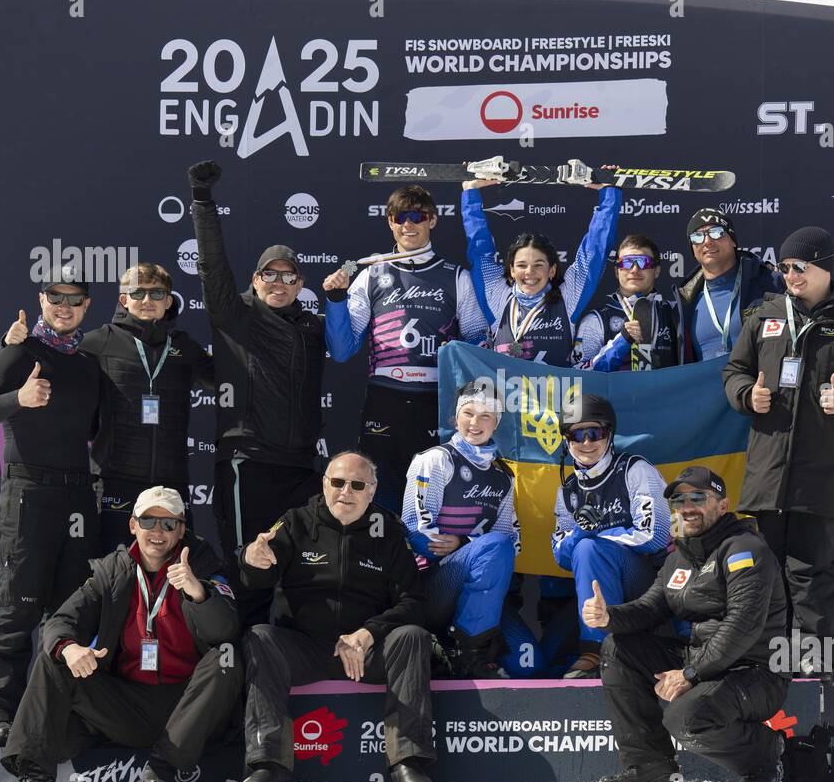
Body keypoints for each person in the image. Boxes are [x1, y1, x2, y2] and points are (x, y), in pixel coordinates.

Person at [0, 486, 241, 782]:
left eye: (169, 524)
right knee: (56, 657)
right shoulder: (111, 572)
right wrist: (70, 649)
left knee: (226, 656)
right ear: (132, 526)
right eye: (148, 521)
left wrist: (197, 591)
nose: (158, 532)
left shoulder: (203, 566)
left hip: (187, 708)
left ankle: (163, 770)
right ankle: (34, 781)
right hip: (126, 705)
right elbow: (62, 621)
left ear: (183, 529)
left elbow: (225, 630)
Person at [722, 226, 834, 672]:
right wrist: (747, 395)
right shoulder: (763, 315)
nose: (790, 276)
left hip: (822, 476)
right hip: (768, 473)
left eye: (799, 267)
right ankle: (762, 678)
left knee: (809, 579)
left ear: (823, 266)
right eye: (783, 268)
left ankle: (806, 682)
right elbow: (734, 370)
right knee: (762, 580)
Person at [238, 451, 438, 782]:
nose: (346, 491)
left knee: (412, 636)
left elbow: (414, 603)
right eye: (338, 482)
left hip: (366, 652)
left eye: (357, 485)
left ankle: (408, 763)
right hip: (307, 648)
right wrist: (252, 561)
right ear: (324, 484)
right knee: (260, 638)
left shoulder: (389, 530)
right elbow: (256, 579)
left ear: (372, 491)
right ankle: (269, 763)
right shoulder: (296, 522)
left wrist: (369, 633)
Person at [0, 266, 102, 748]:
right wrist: (18, 398)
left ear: (86, 306)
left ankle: (56, 711)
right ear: (41, 301)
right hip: (28, 494)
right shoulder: (18, 354)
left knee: (68, 610)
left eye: (74, 299)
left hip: (79, 496)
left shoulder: (87, 363)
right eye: (55, 297)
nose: (64, 307)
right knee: (17, 604)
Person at [585, 466, 790, 782]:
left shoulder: (746, 549)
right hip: (704, 664)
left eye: (698, 497)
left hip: (755, 673)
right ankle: (648, 765)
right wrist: (608, 616)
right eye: (679, 500)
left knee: (685, 719)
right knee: (618, 648)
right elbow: (650, 608)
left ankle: (766, 751)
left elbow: (743, 625)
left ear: (723, 506)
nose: (687, 507)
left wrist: (690, 675)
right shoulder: (679, 558)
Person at [187, 160, 327, 627]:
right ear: (255, 280)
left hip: (300, 468)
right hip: (249, 463)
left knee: (305, 572)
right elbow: (211, 265)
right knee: (250, 568)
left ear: (301, 285)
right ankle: (243, 677)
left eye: (289, 277)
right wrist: (202, 200)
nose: (279, 283)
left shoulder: (313, 329)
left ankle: (295, 667)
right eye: (270, 274)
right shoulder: (236, 315)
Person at [3, 262, 214, 554]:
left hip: (171, 482)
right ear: (123, 299)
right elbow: (51, 360)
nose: (147, 301)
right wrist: (11, 343)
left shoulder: (185, 348)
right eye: (138, 293)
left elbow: (228, 378)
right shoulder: (100, 341)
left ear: (169, 300)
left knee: (175, 575)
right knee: (111, 578)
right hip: (114, 483)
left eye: (156, 294)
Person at [322, 184, 486, 512]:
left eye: (417, 216)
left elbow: (477, 345)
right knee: (381, 501)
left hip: (435, 403)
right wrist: (335, 300)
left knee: (431, 501)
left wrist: (457, 349)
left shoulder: (457, 277)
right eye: (401, 217)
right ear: (390, 222)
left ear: (433, 221)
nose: (408, 224)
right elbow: (341, 350)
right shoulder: (369, 273)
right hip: (385, 400)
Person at [402, 379, 529, 679]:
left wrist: (462, 542)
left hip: (476, 589)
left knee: (528, 664)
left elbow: (511, 541)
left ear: (496, 422)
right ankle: (468, 655)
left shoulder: (502, 475)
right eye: (468, 413)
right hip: (430, 584)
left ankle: (465, 642)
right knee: (492, 545)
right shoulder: (436, 460)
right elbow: (417, 531)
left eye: (486, 415)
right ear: (456, 418)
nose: (475, 422)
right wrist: (467, 546)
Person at [552, 394, 670, 678]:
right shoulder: (568, 490)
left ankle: (597, 649)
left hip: (649, 581)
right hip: (602, 585)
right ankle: (597, 651)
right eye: (577, 434)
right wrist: (581, 531)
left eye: (595, 432)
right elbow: (561, 556)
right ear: (567, 441)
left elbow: (654, 536)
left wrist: (600, 534)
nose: (587, 443)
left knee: (590, 549)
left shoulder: (634, 469)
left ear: (609, 435)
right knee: (585, 550)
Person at [461, 177, 620, 366]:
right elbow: (479, 250)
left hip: (556, 395)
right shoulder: (498, 298)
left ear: (551, 270)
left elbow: (595, 251)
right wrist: (470, 192)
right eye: (521, 265)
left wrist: (608, 195)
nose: (529, 272)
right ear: (511, 270)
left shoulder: (567, 299)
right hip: (509, 395)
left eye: (538, 265)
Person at [678, 208, 781, 361]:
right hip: (706, 385)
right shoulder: (686, 300)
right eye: (698, 236)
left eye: (716, 232)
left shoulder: (770, 282)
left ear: (733, 240)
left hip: (756, 383)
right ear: (693, 249)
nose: (707, 241)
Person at [578, 234, 681, 371]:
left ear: (656, 271)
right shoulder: (596, 320)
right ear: (617, 271)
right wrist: (622, 341)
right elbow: (579, 372)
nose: (634, 269)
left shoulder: (675, 312)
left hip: (665, 392)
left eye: (643, 262)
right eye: (626, 262)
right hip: (617, 392)